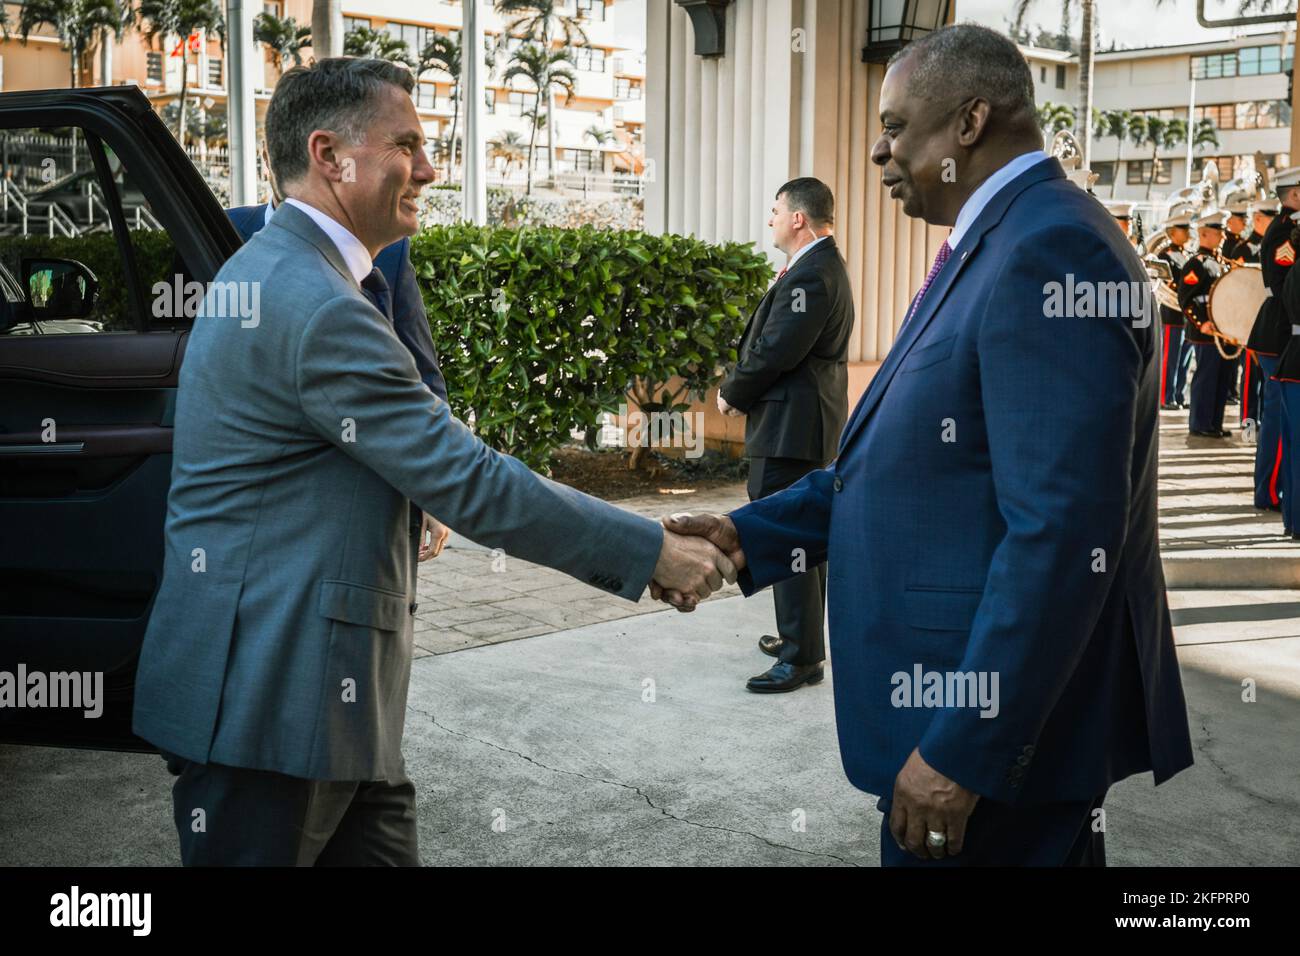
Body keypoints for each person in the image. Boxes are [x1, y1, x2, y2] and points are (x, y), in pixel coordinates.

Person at [133, 58, 735, 866]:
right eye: (407, 145)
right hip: (272, 708)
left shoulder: (287, 274)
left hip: (330, 700)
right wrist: (649, 549)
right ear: (329, 155)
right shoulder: (314, 306)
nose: (429, 168)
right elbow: (470, 478)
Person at [654, 24, 1193, 867]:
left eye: (897, 126)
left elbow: (1061, 534)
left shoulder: (1051, 247)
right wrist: (746, 533)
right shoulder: (1001, 238)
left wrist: (965, 748)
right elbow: (907, 469)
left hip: (985, 753)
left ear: (970, 122)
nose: (877, 150)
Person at [227, 150, 452, 564]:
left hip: (356, 491)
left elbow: (422, 371)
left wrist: (436, 489)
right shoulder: (219, 230)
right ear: (265, 159)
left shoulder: (388, 250)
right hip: (248, 492)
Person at [717, 177, 853, 693]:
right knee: (801, 535)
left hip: (791, 430)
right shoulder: (817, 268)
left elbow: (776, 349)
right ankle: (801, 640)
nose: (770, 217)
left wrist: (734, 392)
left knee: (783, 532)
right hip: (803, 427)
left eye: (775, 210)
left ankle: (800, 657)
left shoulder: (813, 275)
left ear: (798, 218)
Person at [1247, 172, 1300, 523]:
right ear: (1294, 194)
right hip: (1280, 334)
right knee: (1279, 422)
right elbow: (1285, 289)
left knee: (1278, 418)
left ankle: (1270, 489)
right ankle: (1270, 492)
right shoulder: (1285, 230)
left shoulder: (1285, 226)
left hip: (1277, 333)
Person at [1178, 208, 1233, 438]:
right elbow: (1186, 299)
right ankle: (1200, 423)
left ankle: (1214, 423)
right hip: (1207, 331)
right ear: (1204, 234)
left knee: (1222, 379)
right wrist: (1201, 323)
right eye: (1218, 232)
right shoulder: (1196, 263)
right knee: (1207, 378)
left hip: (1223, 331)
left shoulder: (1221, 263)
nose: (1223, 236)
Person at [1156, 203, 1194, 410]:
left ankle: (1179, 394)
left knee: (1185, 360)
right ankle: (1166, 397)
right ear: (1172, 232)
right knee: (1170, 358)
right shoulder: (1166, 256)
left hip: (1187, 316)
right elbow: (1168, 286)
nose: (1188, 233)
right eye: (1184, 229)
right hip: (1172, 314)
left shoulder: (1187, 255)